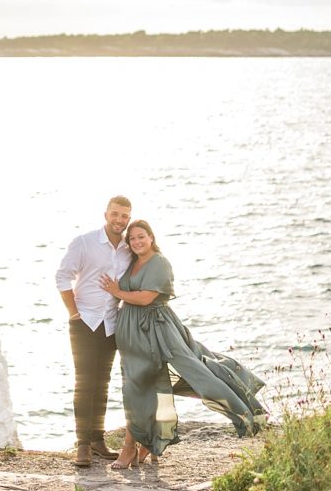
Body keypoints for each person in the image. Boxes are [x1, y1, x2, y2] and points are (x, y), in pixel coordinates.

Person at [98, 219, 266, 468]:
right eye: (132, 239)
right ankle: (149, 444)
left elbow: (146, 298)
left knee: (171, 377)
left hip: (156, 329)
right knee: (142, 385)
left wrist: (117, 291)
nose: (136, 242)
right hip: (131, 332)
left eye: (141, 236)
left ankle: (129, 449)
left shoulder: (159, 263)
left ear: (151, 237)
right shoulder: (133, 262)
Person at [55, 195, 133, 466]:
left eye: (124, 216)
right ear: (106, 214)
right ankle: (83, 445)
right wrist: (73, 313)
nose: (119, 220)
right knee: (84, 382)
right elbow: (62, 276)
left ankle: (98, 440)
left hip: (111, 323)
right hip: (84, 321)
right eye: (115, 214)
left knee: (102, 382)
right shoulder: (85, 242)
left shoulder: (127, 248)